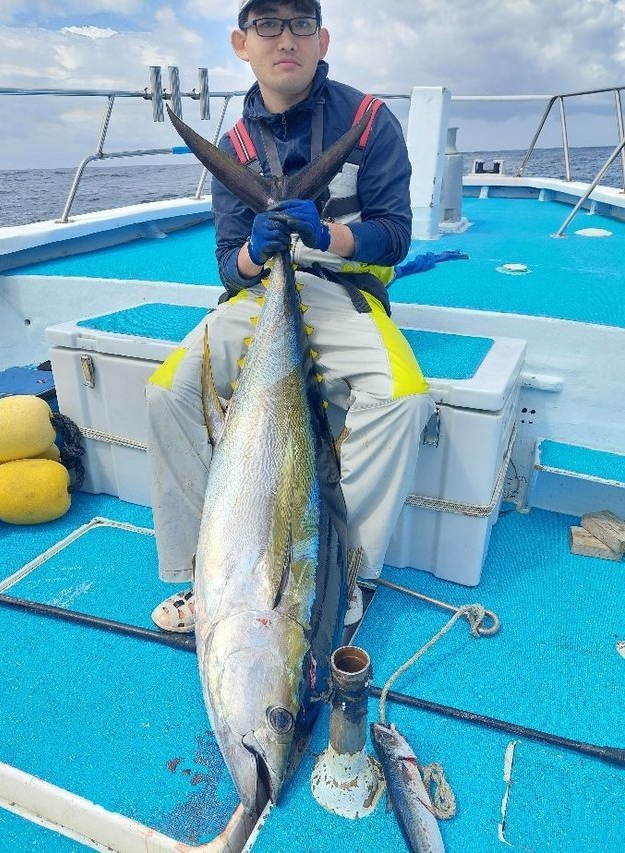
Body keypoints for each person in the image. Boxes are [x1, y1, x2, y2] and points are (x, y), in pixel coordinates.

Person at [146, 0, 434, 632]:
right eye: (267, 25)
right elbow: (229, 266)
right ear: (241, 43)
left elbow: (395, 236)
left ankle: (349, 572)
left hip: (343, 289)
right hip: (261, 295)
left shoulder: (369, 121)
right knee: (167, 390)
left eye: (301, 24)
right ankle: (202, 571)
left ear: (321, 39)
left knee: (403, 401)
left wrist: (329, 236)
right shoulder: (235, 147)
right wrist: (255, 253)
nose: (286, 39)